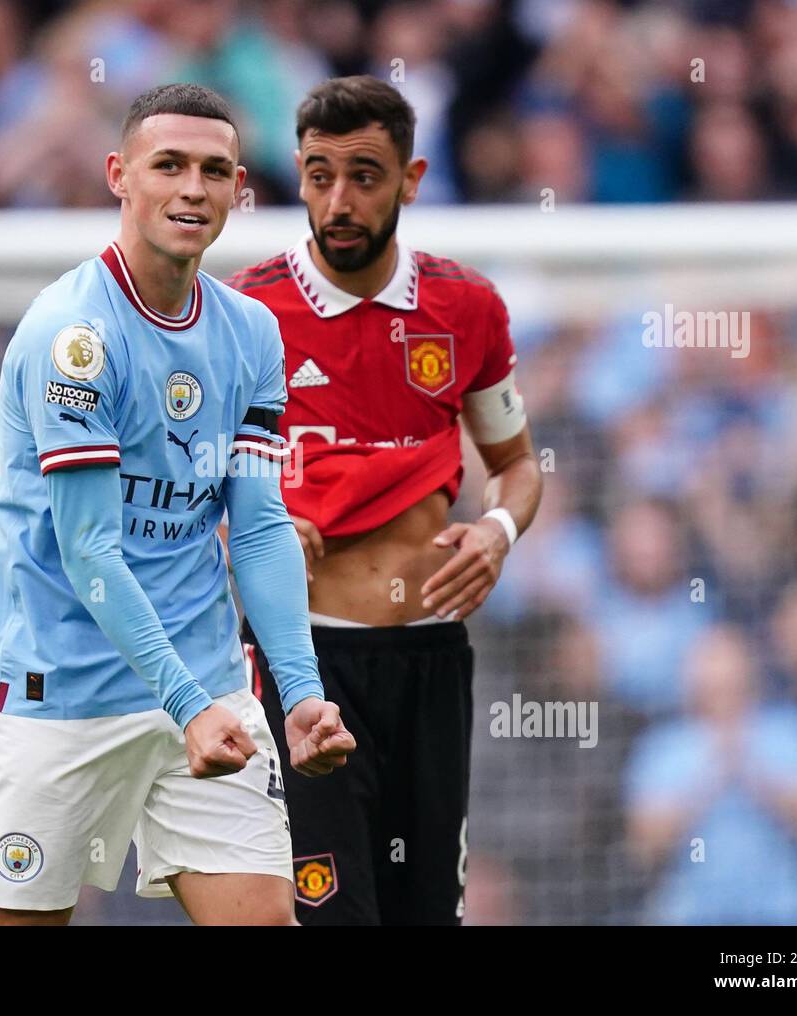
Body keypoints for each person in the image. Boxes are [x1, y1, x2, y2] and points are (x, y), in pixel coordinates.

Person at [0, 83, 355, 927]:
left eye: (215, 171)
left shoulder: (251, 332)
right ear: (119, 175)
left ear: (238, 188)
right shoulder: (74, 336)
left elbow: (254, 526)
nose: (192, 189)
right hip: (58, 694)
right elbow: (90, 551)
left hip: (209, 689)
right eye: (168, 165)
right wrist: (187, 704)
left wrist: (299, 693)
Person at [228, 76, 542, 925]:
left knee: (426, 915)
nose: (339, 199)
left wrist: (500, 530)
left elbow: (516, 462)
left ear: (410, 178)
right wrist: (256, 531)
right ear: (296, 173)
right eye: (320, 174)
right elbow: (195, 488)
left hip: (433, 659)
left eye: (364, 175)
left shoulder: (464, 307)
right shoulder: (246, 311)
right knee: (333, 916)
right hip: (301, 666)